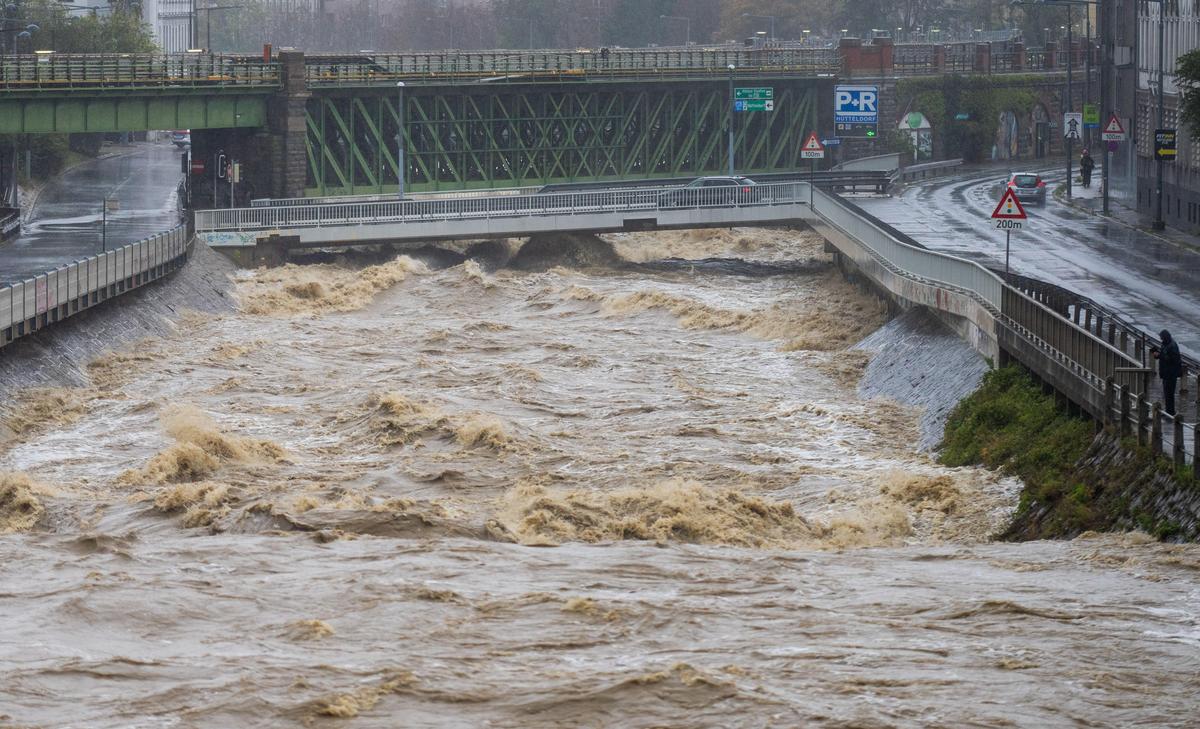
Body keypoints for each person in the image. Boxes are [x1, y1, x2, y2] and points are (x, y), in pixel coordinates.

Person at [1151, 329, 1183, 416]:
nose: (1161, 340)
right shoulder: (1166, 344)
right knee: (1167, 393)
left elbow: (1172, 359)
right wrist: (1157, 354)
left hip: (1171, 373)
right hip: (1166, 373)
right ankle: (1168, 411)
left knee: (1169, 393)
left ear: (1165, 337)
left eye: (1162, 338)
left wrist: (1160, 355)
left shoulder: (1172, 345)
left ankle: (1170, 412)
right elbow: (1164, 355)